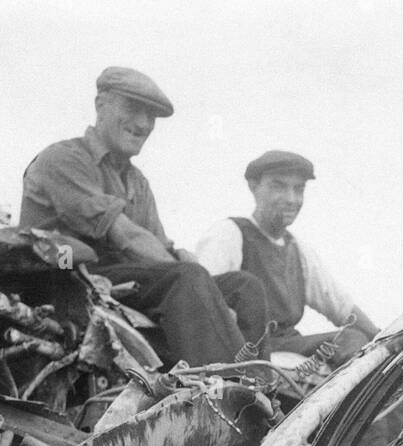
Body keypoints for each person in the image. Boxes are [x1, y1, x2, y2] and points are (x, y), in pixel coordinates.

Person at [20, 67, 266, 367]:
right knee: (187, 278)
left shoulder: (137, 181)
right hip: (67, 280)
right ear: (101, 105)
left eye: (150, 116)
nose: (143, 123)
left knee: (244, 288)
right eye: (132, 108)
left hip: (117, 283)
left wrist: (191, 264)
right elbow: (127, 236)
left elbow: (161, 245)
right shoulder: (63, 159)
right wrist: (208, 293)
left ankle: (260, 389)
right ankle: (226, 392)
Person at [195, 151, 378, 366]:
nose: (291, 199)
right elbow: (203, 301)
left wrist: (389, 341)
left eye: (298, 189)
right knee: (352, 340)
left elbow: (341, 307)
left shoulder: (298, 250)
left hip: (288, 343)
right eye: (278, 186)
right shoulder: (230, 232)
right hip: (247, 349)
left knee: (359, 339)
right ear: (253, 187)